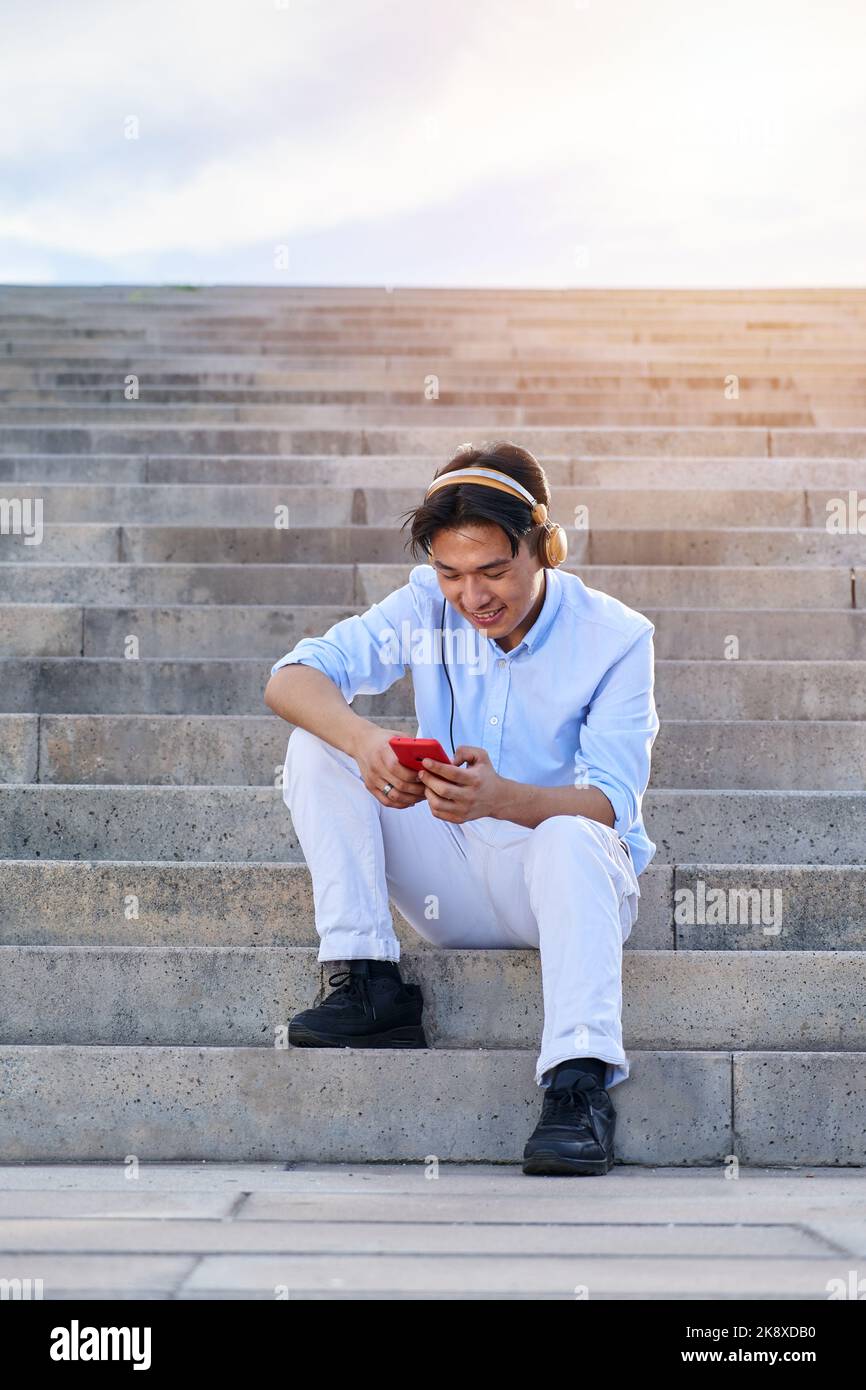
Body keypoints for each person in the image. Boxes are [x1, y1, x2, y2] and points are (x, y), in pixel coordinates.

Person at [263, 441, 659, 1176]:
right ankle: (368, 982)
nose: (472, 596)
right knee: (320, 746)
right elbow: (290, 679)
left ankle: (578, 1084)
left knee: (572, 835)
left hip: (562, 883)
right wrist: (369, 742)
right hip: (449, 871)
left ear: (547, 548)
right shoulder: (423, 604)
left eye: (494, 571)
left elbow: (610, 806)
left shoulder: (618, 637)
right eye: (451, 573)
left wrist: (502, 797)